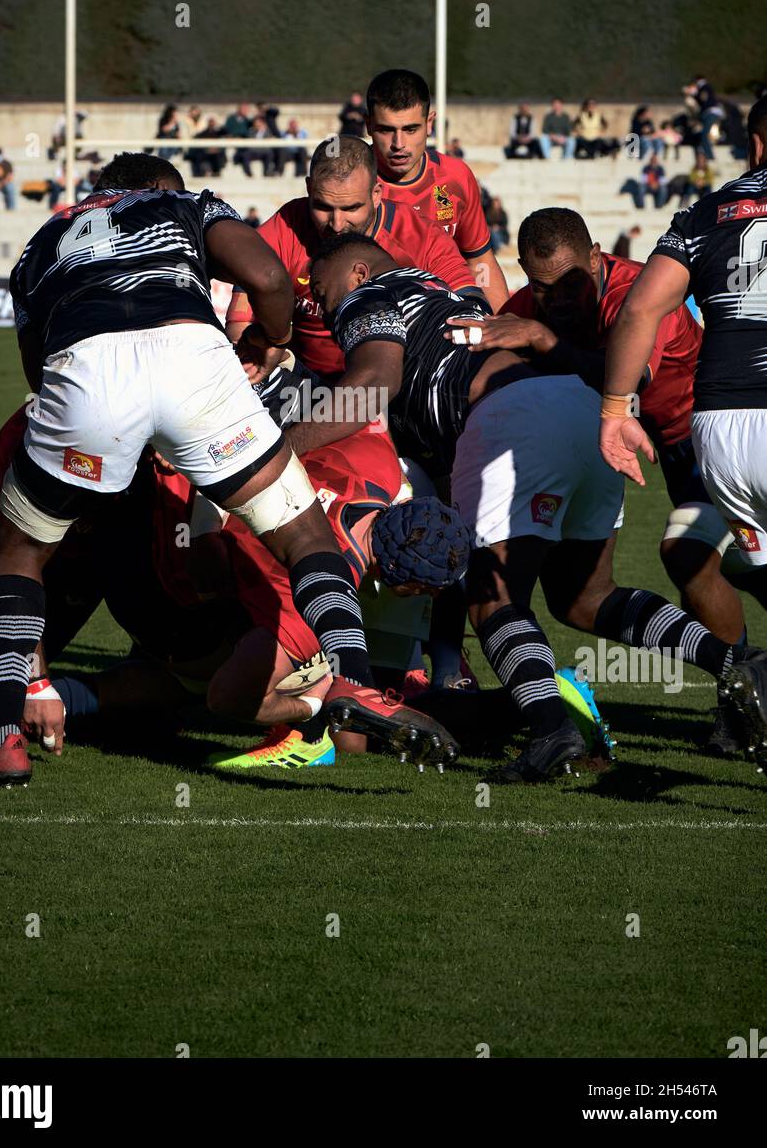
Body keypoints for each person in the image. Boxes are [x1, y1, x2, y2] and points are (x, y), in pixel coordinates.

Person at [0, 151, 454, 786]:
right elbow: (266, 275)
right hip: (192, 358)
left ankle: (0, 741)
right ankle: (352, 677)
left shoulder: (42, 240)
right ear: (159, 190)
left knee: (21, 553)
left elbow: (34, 363)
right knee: (304, 533)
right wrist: (274, 336)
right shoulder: (182, 204)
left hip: (87, 370)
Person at [300, 233, 759, 782]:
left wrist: (275, 451)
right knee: (585, 597)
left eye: (322, 294)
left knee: (494, 601)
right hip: (581, 408)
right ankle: (739, 662)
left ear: (354, 274)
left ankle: (551, 734)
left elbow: (374, 383)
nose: (322, 311)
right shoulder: (444, 292)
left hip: (512, 416)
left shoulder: (367, 297)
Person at [484, 208, 746, 713]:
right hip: (642, 445)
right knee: (580, 598)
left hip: (705, 438)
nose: (556, 303)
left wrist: (541, 340)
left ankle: (741, 689)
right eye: (543, 289)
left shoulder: (641, 294)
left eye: (569, 286)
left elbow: (623, 381)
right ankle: (740, 683)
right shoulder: (530, 304)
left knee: (690, 557)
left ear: (596, 258)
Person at [599, 95, 767, 773]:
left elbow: (642, 304)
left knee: (700, 549)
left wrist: (614, 410)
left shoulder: (708, 212)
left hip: (719, 432)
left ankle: (747, 690)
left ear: (753, 144)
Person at [225, 135, 479, 379]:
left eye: (351, 208)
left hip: (401, 388)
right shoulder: (288, 224)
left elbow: (474, 309)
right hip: (308, 385)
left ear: (376, 194)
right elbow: (240, 325)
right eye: (323, 207)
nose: (336, 224)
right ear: (308, 189)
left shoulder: (418, 235)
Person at [364, 69, 508, 308]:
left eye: (410, 129)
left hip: (445, 322)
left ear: (429, 123)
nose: (399, 144)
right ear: (368, 125)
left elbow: (479, 261)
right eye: (386, 130)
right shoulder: (352, 187)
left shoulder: (455, 177)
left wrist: (500, 324)